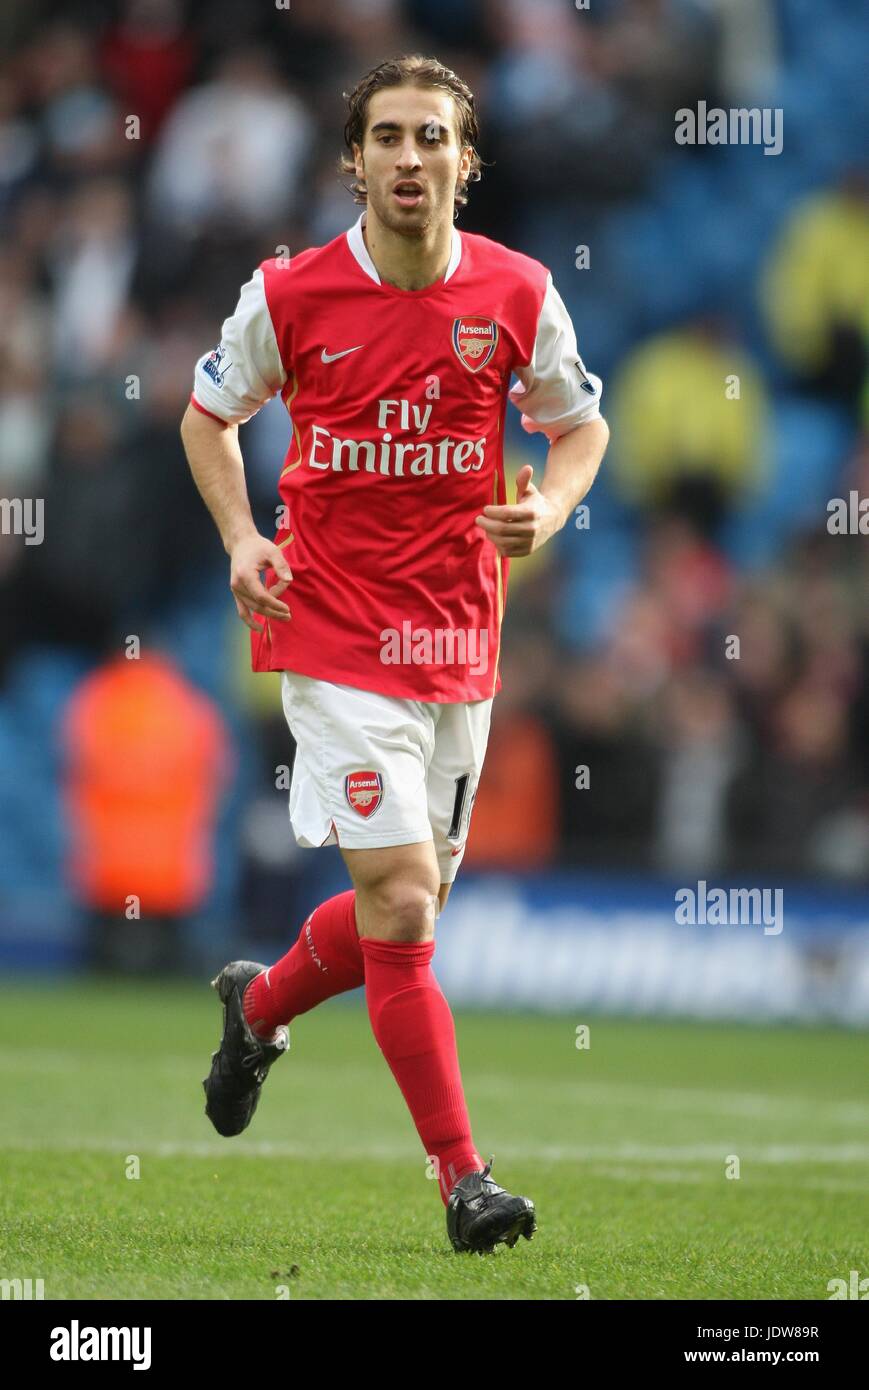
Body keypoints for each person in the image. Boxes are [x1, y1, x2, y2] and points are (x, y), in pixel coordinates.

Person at [180, 53, 609, 1255]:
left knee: (399, 916)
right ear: (351, 160)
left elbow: (578, 427)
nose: (408, 158)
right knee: (405, 902)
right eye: (387, 138)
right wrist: (239, 538)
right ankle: (464, 1179)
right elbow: (206, 416)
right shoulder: (292, 293)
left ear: (464, 162)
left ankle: (256, 1006)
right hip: (327, 631)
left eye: (431, 138)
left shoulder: (518, 293)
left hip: (459, 643)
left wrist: (554, 507)